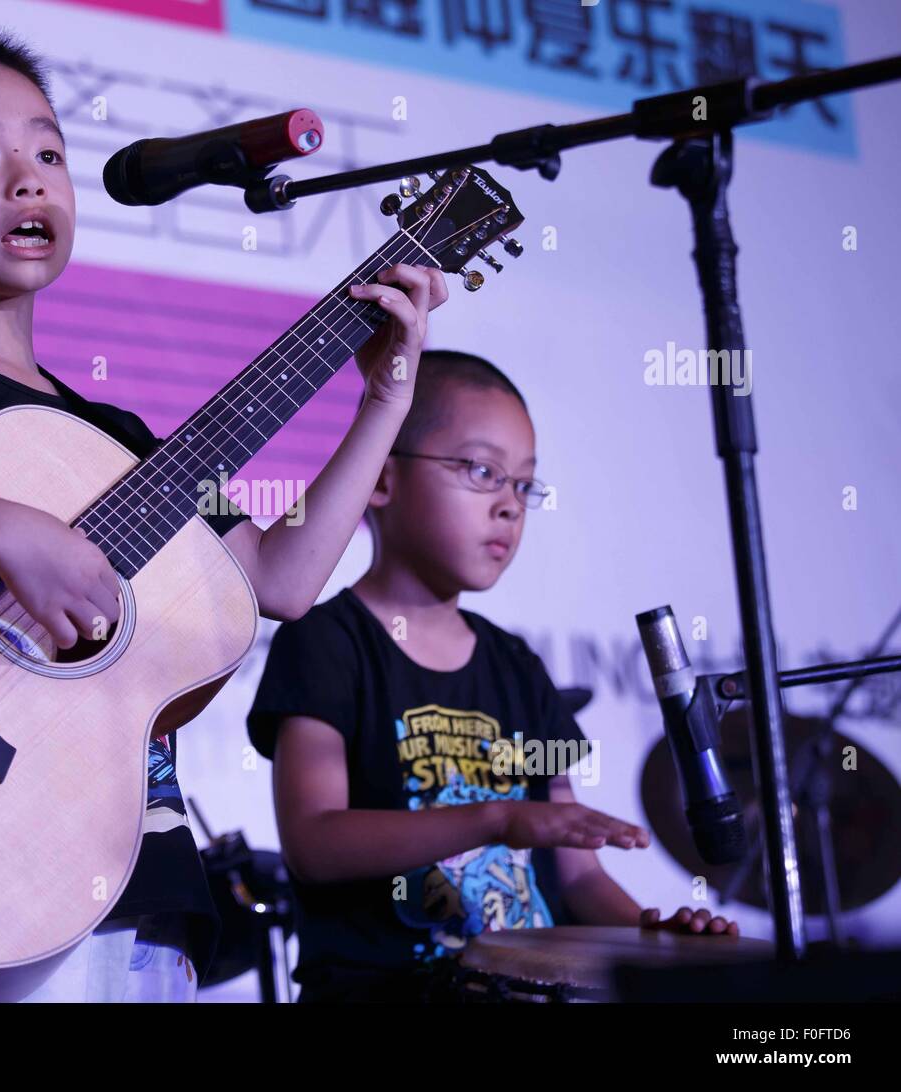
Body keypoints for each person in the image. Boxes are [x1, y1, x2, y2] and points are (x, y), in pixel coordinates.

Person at [0, 20, 448, 1001]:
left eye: (48, 153)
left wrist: (384, 399)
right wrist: (6, 531)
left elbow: (280, 579)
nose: (28, 180)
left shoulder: (117, 434)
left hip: (135, 876)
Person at [246, 350, 739, 1004]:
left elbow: (579, 876)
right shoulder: (325, 641)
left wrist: (656, 936)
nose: (510, 507)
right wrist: (497, 817)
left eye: (523, 485)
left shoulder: (518, 668)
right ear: (383, 479)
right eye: (482, 472)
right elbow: (314, 842)